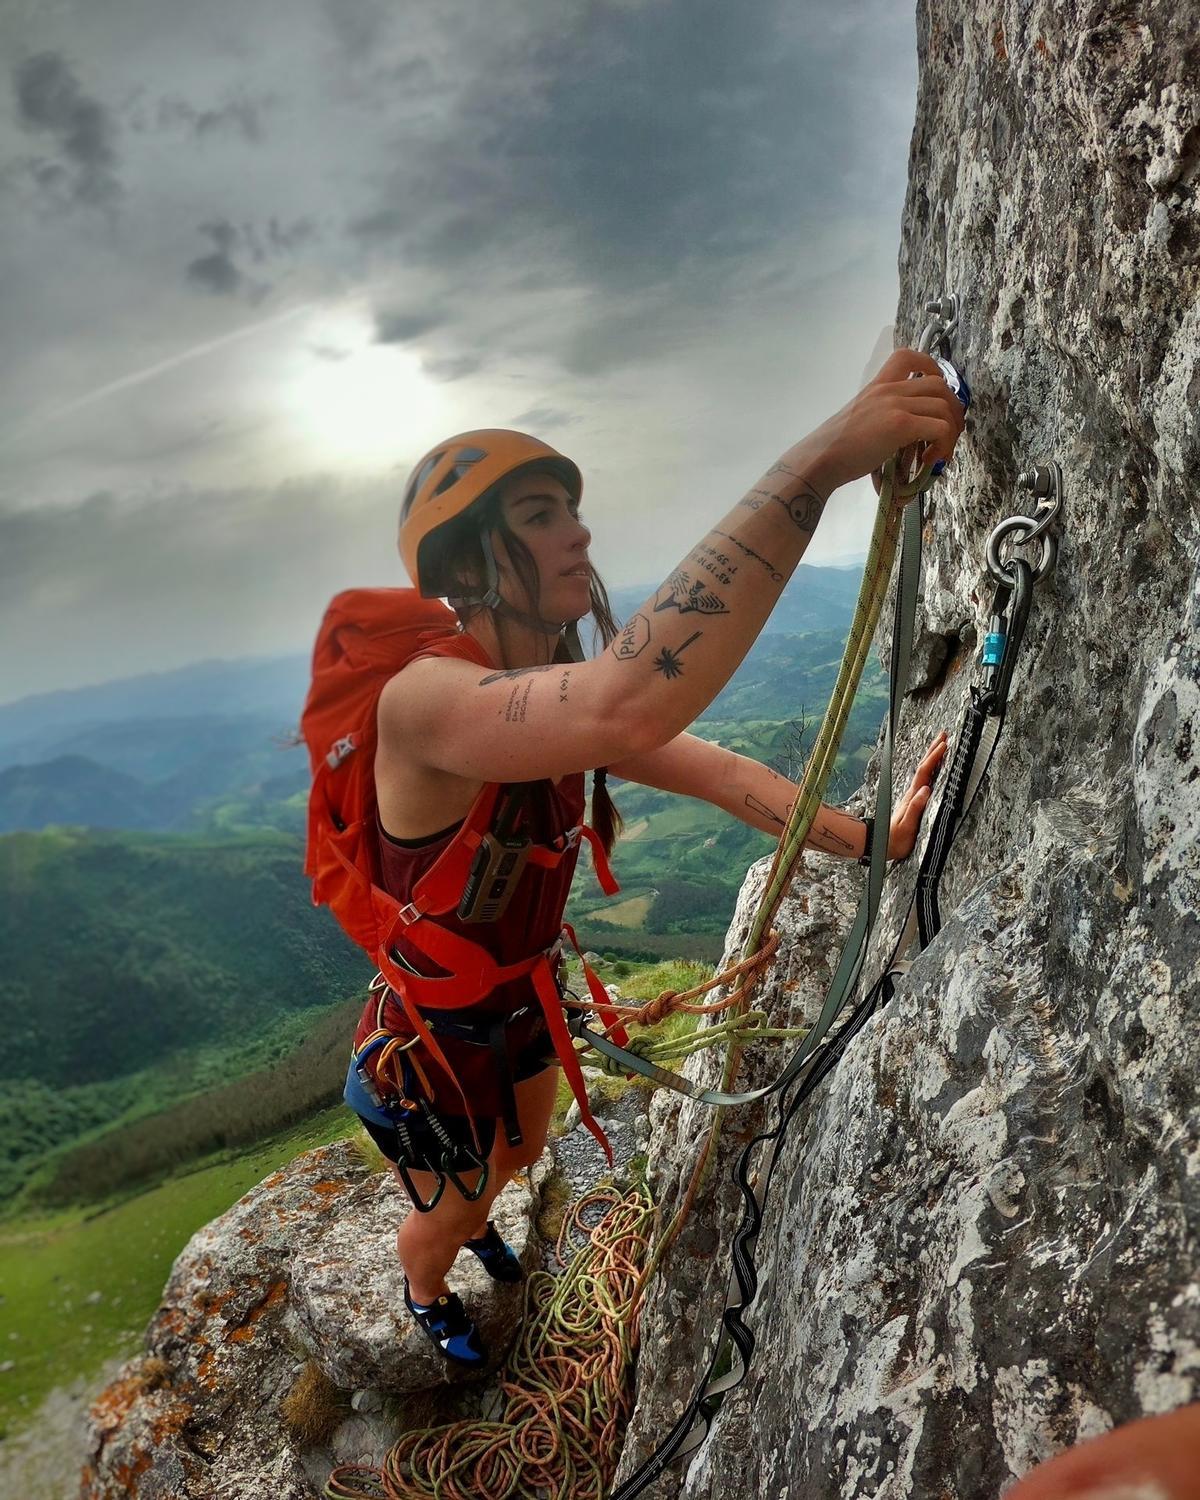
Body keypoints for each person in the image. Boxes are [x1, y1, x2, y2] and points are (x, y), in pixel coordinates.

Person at [350, 347, 966, 1364]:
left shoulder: (538, 710)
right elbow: (628, 700)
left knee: (518, 1154)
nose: (579, 532)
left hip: (517, 1004)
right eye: (539, 514)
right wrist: (818, 462)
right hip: (437, 1034)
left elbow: (717, 772)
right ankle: (428, 1281)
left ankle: (475, 1215)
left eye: (569, 510)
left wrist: (878, 843)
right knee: (453, 1201)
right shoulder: (424, 703)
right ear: (464, 568)